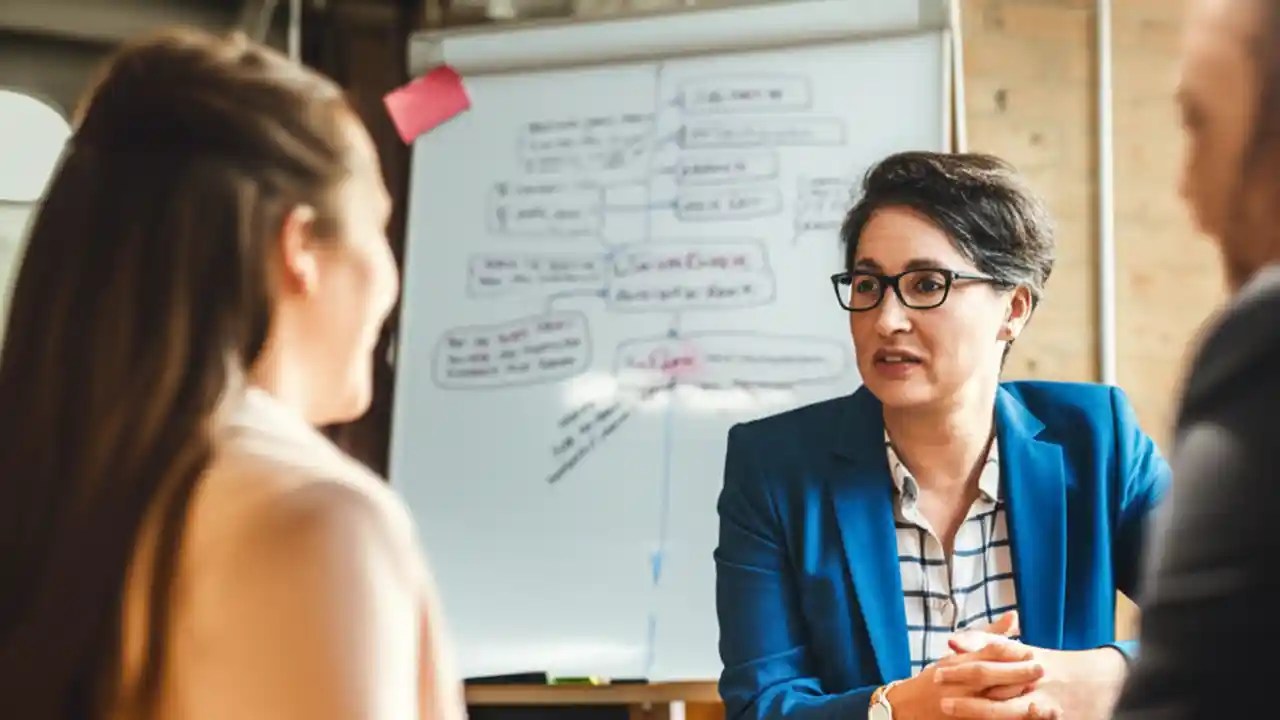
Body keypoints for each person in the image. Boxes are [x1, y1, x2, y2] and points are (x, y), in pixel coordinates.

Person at [0, 28, 465, 720]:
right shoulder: (314, 520)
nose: (390, 275)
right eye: (379, 227)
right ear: (300, 244)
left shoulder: (54, 504)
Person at [714, 151, 1171, 720]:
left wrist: (1092, 676)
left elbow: (1238, 619)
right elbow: (761, 706)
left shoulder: (1098, 439)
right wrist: (900, 708)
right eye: (867, 284)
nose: (886, 319)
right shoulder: (775, 468)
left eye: (927, 284)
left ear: (1013, 309)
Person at [1112, 0, 1280, 717]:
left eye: (1201, 125)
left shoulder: (1264, 342)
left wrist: (1100, 670)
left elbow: (1193, 683)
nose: (1190, 194)